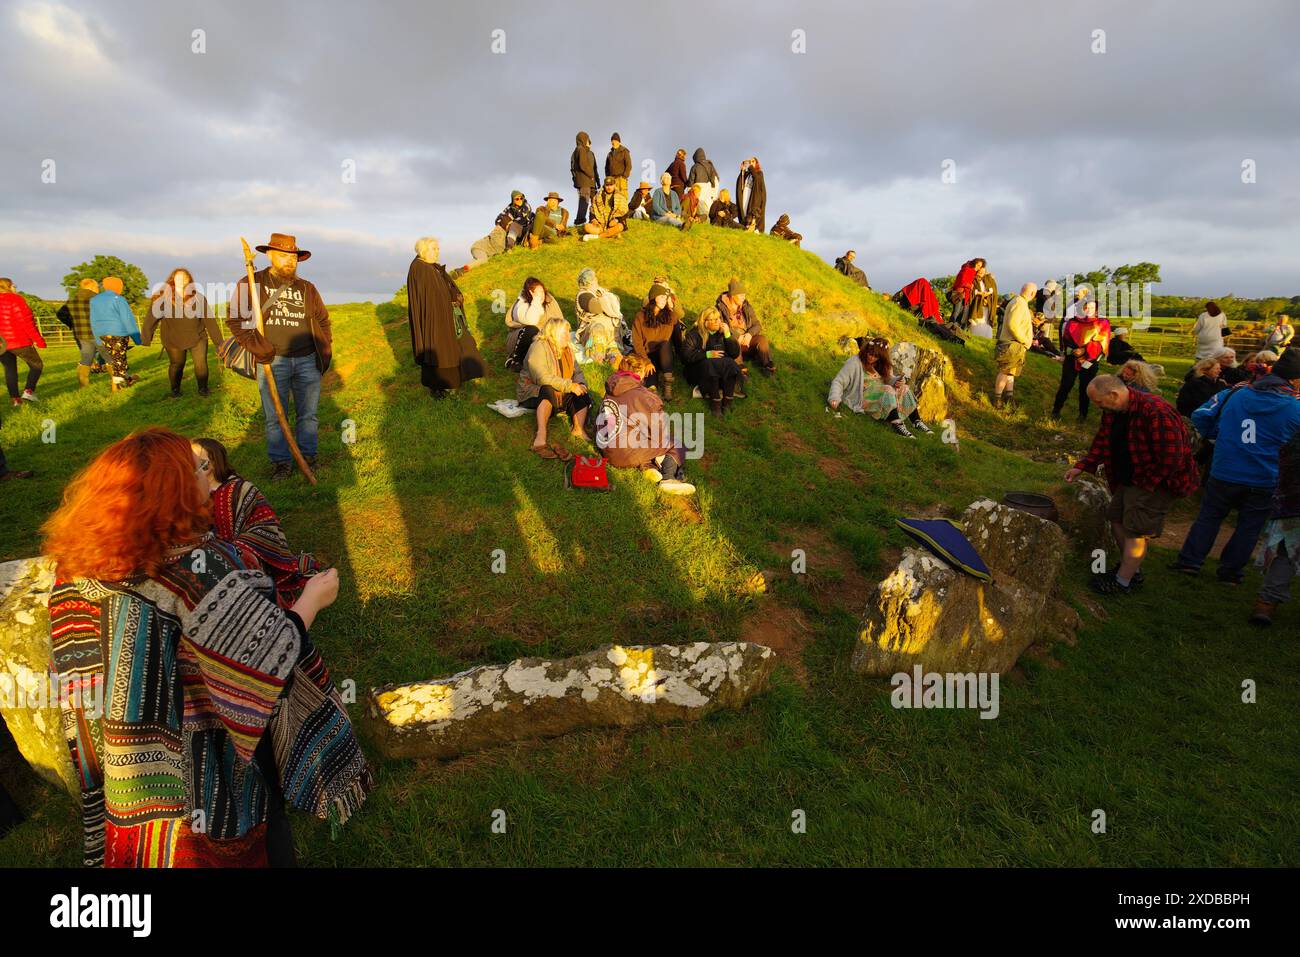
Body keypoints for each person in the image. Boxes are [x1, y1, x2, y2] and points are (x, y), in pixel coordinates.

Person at [43, 427, 370, 868]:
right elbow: (268, 654)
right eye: (197, 468)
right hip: (211, 755)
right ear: (174, 489)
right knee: (262, 835)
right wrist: (312, 598)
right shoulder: (200, 570)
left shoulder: (73, 572)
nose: (207, 474)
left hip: (128, 766)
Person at [1169, 347, 1300, 583]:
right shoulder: (1295, 408)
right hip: (1265, 475)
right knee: (1249, 526)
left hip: (1226, 467)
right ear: (1293, 380)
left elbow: (1200, 415)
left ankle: (1189, 562)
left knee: (1209, 517)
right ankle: (1230, 572)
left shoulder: (1236, 394)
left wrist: (1217, 437)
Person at [1065, 376, 1200, 594]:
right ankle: (1131, 570)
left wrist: (1145, 487)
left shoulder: (1156, 411)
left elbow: (1171, 458)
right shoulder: (1114, 411)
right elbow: (1103, 441)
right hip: (1129, 478)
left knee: (1136, 530)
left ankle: (1123, 582)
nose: (1098, 407)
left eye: (1099, 402)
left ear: (1114, 395)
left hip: (1157, 482)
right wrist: (1083, 466)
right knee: (1116, 517)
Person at [226, 233, 332, 481]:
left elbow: (323, 320)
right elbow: (235, 319)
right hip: (272, 362)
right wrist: (256, 346)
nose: (290, 261)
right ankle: (281, 463)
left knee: (309, 415)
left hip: (307, 360)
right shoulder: (252, 282)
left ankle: (308, 457)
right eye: (284, 256)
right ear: (270, 255)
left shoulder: (307, 288)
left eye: (293, 257)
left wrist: (325, 348)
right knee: (275, 417)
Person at [193, 437, 320, 607]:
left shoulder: (241, 489)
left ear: (211, 464)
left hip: (245, 552)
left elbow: (266, 523)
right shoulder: (191, 494)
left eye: (196, 461)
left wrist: (234, 550)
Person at [596, 353, 695, 494]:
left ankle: (648, 468)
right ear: (640, 372)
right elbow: (659, 431)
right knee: (676, 443)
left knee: (638, 433)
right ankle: (668, 478)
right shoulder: (642, 395)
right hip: (624, 453)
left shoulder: (611, 389)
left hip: (606, 449)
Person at [407, 236, 486, 398]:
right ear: (424, 251)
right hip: (434, 320)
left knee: (461, 345)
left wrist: (455, 297)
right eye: (434, 249)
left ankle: (460, 378)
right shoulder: (420, 268)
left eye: (437, 248)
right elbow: (429, 298)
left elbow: (445, 287)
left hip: (447, 317)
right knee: (438, 353)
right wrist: (447, 303)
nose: (437, 252)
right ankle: (437, 387)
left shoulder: (431, 267)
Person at [141, 268, 224, 398]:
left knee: (201, 363)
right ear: (173, 279)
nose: (181, 280)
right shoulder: (163, 298)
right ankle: (175, 390)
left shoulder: (199, 298)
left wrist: (219, 342)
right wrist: (146, 337)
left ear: (188, 280)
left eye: (184, 277)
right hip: (173, 338)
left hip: (198, 336)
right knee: (177, 364)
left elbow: (210, 321)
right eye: (178, 277)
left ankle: (203, 389)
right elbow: (151, 318)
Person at [828, 338, 933, 438]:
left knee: (904, 388)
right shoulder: (854, 362)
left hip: (881, 393)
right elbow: (839, 381)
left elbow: (888, 379)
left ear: (881, 357)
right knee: (888, 389)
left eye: (876, 356)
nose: (871, 357)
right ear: (866, 350)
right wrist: (834, 398)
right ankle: (897, 424)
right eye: (870, 353)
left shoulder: (880, 364)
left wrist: (897, 381)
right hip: (863, 398)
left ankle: (917, 422)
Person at [517, 316, 590, 459]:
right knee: (547, 389)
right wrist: (569, 386)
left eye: (568, 332)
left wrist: (580, 384)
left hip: (561, 389)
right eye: (564, 333)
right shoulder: (539, 347)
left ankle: (578, 429)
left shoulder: (567, 349)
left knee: (582, 391)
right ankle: (541, 435)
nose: (568, 336)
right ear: (553, 333)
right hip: (533, 390)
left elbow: (577, 372)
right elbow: (541, 377)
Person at [1250, 432, 1300, 625]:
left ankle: (1266, 604)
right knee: (1287, 551)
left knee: (1286, 552)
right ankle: (1266, 603)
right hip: (1294, 503)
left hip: (1292, 503)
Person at [1052, 301, 1110, 421]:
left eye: (1092, 307)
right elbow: (1066, 339)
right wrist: (1075, 350)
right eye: (1086, 307)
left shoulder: (1102, 323)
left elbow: (1102, 342)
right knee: (1065, 385)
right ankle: (1056, 411)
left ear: (1097, 309)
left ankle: (1082, 415)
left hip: (1090, 360)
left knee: (1085, 388)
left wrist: (1084, 350)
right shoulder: (1072, 322)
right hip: (1071, 359)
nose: (1089, 309)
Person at [680, 307, 742, 416]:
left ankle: (728, 402)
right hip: (699, 371)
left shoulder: (723, 333)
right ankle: (716, 403)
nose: (718, 321)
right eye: (713, 319)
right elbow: (686, 357)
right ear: (705, 322)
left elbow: (734, 354)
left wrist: (728, 335)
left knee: (731, 363)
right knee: (710, 364)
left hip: (720, 371)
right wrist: (707, 354)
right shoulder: (694, 335)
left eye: (718, 318)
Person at [632, 282, 685, 399]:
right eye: (661, 297)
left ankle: (668, 384)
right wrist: (646, 361)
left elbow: (677, 341)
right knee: (651, 388)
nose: (664, 300)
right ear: (653, 297)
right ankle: (653, 389)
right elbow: (637, 343)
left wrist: (683, 357)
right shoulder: (640, 316)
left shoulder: (671, 316)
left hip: (665, 357)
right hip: (647, 355)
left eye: (666, 298)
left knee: (665, 344)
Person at [716, 277, 775, 378]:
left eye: (744, 295)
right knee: (733, 340)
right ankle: (740, 367)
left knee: (762, 339)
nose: (744, 297)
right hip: (732, 341)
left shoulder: (746, 306)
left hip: (747, 340)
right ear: (733, 295)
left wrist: (749, 334)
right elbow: (721, 326)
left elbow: (757, 324)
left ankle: (767, 365)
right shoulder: (720, 307)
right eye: (741, 295)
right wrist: (738, 336)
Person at [89, 276, 141, 391]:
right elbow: (128, 319)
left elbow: (92, 319)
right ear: (117, 286)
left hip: (102, 334)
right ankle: (115, 387)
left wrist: (97, 338)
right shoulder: (119, 299)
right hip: (118, 334)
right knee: (119, 360)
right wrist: (137, 338)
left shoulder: (94, 300)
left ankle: (123, 382)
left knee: (112, 360)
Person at [0, 278, 46, 405]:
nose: (15, 287)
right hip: (19, 341)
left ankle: (15, 400)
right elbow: (27, 323)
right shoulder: (16, 299)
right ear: (8, 286)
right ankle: (29, 392)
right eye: (14, 285)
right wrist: (39, 340)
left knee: (9, 370)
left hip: (1, 343)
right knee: (37, 365)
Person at [993, 283, 1037, 410]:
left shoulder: (1019, 302)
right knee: (1005, 371)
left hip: (1015, 344)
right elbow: (1013, 325)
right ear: (1032, 294)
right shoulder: (1019, 303)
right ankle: (997, 399)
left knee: (1011, 373)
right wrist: (1024, 340)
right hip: (1011, 344)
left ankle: (1008, 397)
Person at [506, 277, 564, 370]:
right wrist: (535, 302)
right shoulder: (521, 305)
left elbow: (559, 319)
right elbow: (531, 321)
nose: (541, 295)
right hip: (521, 339)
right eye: (537, 293)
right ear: (530, 293)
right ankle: (516, 361)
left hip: (543, 337)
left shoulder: (549, 301)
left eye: (542, 292)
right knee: (532, 329)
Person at [58, 278, 108, 385]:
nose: (98, 289)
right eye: (97, 287)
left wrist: (72, 323)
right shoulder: (98, 299)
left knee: (86, 359)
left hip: (80, 334)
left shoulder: (72, 300)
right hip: (97, 333)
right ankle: (120, 382)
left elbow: (60, 314)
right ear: (91, 287)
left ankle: (83, 385)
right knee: (109, 357)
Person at [576, 268, 627, 364]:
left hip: (611, 333)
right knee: (598, 331)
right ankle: (598, 356)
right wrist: (605, 300)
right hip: (593, 332)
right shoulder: (583, 295)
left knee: (615, 354)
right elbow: (595, 307)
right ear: (586, 283)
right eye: (592, 280)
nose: (595, 281)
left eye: (594, 279)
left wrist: (609, 298)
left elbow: (616, 300)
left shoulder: (601, 292)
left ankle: (614, 358)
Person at [570, 131, 600, 227]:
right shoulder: (580, 149)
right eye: (587, 139)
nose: (588, 141)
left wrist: (597, 180)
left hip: (589, 181)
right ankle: (579, 221)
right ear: (583, 139)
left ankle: (593, 219)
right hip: (585, 181)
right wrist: (591, 175)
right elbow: (583, 165)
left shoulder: (582, 151)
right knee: (584, 201)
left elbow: (594, 167)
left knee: (594, 200)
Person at [735, 157, 766, 231]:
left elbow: (757, 179)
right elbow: (741, 182)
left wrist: (751, 167)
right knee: (744, 210)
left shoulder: (759, 173)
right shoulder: (748, 174)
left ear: (756, 163)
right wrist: (742, 170)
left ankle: (753, 227)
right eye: (750, 161)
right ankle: (744, 226)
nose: (751, 163)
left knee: (751, 211)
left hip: (753, 197)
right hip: (746, 194)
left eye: (753, 161)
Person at [687, 147, 720, 212]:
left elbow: (690, 181)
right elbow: (713, 179)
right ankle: (707, 220)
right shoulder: (710, 166)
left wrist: (689, 191)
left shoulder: (694, 167)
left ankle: (698, 220)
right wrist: (713, 193)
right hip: (707, 188)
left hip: (697, 188)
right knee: (707, 206)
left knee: (698, 206)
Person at [968, 269, 999, 338]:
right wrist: (980, 294)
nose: (981, 272)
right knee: (977, 320)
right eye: (980, 271)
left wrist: (986, 294)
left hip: (987, 304)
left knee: (985, 320)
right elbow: (972, 291)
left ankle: (986, 336)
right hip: (977, 304)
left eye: (983, 271)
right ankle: (975, 335)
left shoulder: (988, 280)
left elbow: (992, 290)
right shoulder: (974, 279)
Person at [605, 132, 632, 198]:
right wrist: (608, 177)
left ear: (618, 141)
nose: (613, 142)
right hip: (612, 179)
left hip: (621, 178)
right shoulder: (609, 154)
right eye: (612, 141)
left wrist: (624, 176)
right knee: (612, 197)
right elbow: (606, 167)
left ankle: (624, 208)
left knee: (622, 195)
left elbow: (629, 165)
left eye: (614, 140)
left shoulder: (624, 151)